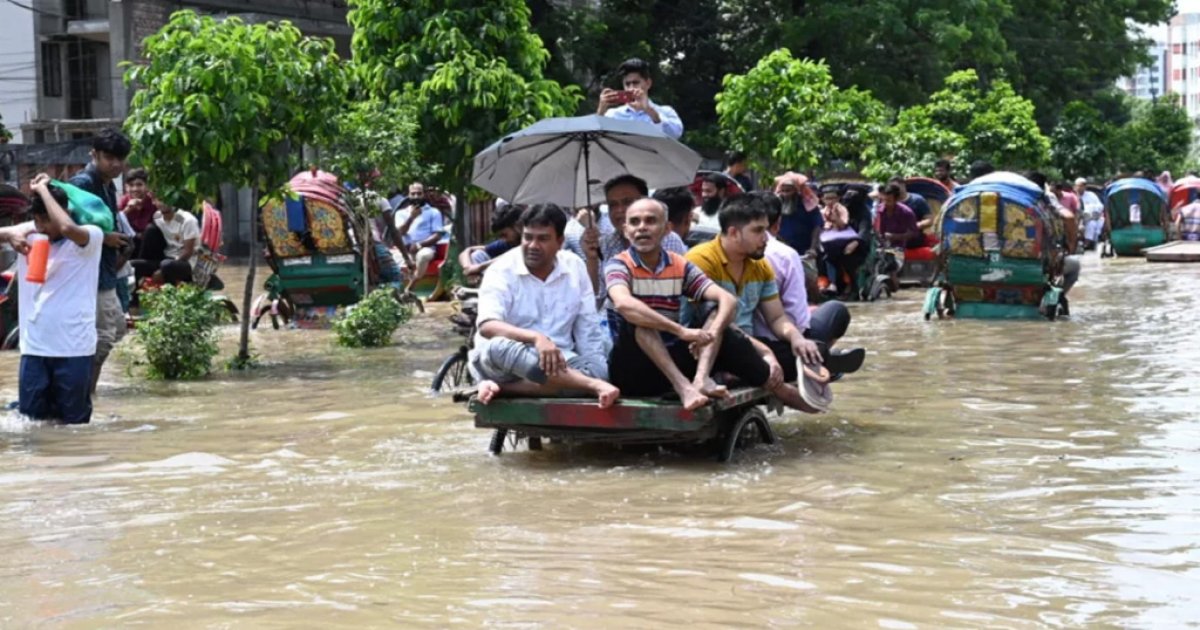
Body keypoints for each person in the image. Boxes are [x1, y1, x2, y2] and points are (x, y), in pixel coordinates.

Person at [686, 195, 863, 413]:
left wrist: (797, 338)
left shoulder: (760, 266)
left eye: (766, 230)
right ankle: (776, 387)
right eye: (758, 231)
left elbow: (777, 317)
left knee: (814, 350)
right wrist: (766, 353)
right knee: (720, 322)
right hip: (711, 345)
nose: (766, 239)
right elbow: (713, 321)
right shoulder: (701, 259)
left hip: (748, 347)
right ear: (733, 233)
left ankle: (750, 372)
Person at [470, 204, 618, 408]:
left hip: (560, 361)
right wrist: (536, 338)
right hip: (506, 362)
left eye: (543, 239)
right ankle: (587, 385)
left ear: (560, 242)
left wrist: (599, 371)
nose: (533, 245)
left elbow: (588, 331)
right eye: (528, 237)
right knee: (497, 347)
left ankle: (508, 389)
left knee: (603, 369)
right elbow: (487, 326)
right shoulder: (500, 269)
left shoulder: (574, 266)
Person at [605, 198, 740, 410]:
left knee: (712, 310)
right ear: (626, 230)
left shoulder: (679, 264)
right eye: (635, 222)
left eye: (650, 221)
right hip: (632, 369)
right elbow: (624, 304)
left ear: (667, 229)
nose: (642, 228)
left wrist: (709, 334)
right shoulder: (618, 264)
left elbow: (728, 300)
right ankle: (684, 388)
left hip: (671, 360)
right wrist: (680, 331)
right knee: (639, 318)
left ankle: (701, 379)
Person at [14, 175, 104, 423]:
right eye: (37, 219)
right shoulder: (30, 234)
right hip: (35, 347)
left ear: (64, 211)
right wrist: (11, 237)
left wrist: (42, 189)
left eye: (46, 220)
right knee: (32, 423)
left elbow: (66, 228)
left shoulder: (89, 238)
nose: (41, 226)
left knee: (75, 424)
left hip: (74, 348)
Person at [69, 127, 132, 396]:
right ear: (94, 154)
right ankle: (84, 395)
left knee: (115, 330)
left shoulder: (108, 185)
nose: (116, 164)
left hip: (106, 271)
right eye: (109, 158)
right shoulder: (83, 184)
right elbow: (65, 226)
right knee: (103, 337)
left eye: (120, 159)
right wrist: (104, 238)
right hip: (88, 273)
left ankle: (84, 391)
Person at [585, 174, 688, 293]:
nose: (619, 210)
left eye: (627, 202)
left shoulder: (667, 238)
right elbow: (595, 298)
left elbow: (669, 292)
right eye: (613, 204)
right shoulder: (605, 243)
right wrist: (592, 259)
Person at [597, 58, 684, 139]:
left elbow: (675, 134)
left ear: (648, 83)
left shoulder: (665, 111)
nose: (631, 88)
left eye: (636, 83)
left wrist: (650, 111)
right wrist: (601, 110)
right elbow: (596, 138)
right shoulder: (612, 115)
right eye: (627, 84)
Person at [132, 200, 200, 286]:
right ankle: (136, 295)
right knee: (133, 265)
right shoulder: (157, 217)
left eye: (167, 198)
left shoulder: (186, 220)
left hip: (186, 262)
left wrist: (162, 271)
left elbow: (188, 252)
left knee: (166, 265)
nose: (163, 202)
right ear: (154, 201)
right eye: (159, 199)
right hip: (166, 258)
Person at [395, 182, 447, 292]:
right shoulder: (400, 213)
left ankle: (412, 285)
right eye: (413, 194)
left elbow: (437, 235)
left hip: (426, 248)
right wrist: (411, 217)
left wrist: (419, 245)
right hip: (405, 250)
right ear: (408, 195)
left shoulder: (433, 212)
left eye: (419, 193)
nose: (416, 197)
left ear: (424, 194)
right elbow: (399, 233)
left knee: (422, 256)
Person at [816, 186, 865, 297]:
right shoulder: (822, 211)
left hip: (843, 239)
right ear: (823, 199)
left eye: (833, 198)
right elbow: (820, 226)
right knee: (824, 257)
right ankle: (826, 283)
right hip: (828, 239)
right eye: (827, 199)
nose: (830, 201)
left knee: (838, 257)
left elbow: (843, 224)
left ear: (838, 198)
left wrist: (835, 218)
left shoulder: (842, 209)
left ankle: (843, 283)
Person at [459, 201, 523, 283]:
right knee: (477, 255)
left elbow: (514, 256)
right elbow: (468, 250)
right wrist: (468, 267)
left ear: (518, 226)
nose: (503, 239)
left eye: (504, 234)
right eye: (500, 236)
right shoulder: (507, 243)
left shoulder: (531, 242)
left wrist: (480, 267)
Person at [772, 172, 823, 259]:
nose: (785, 194)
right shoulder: (776, 205)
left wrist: (813, 248)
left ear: (796, 191)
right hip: (782, 251)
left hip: (806, 251)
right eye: (782, 191)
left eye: (788, 191)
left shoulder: (808, 204)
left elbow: (817, 226)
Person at [876, 183, 922, 249]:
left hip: (898, 248)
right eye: (884, 200)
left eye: (889, 201)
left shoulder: (906, 212)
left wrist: (895, 236)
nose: (885, 203)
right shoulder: (878, 210)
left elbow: (913, 233)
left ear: (896, 199)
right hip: (879, 246)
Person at [118, 168, 157, 235]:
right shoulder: (123, 201)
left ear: (147, 186)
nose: (135, 189)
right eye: (131, 185)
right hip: (130, 238)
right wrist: (127, 209)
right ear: (126, 187)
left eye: (139, 185)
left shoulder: (153, 201)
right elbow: (116, 223)